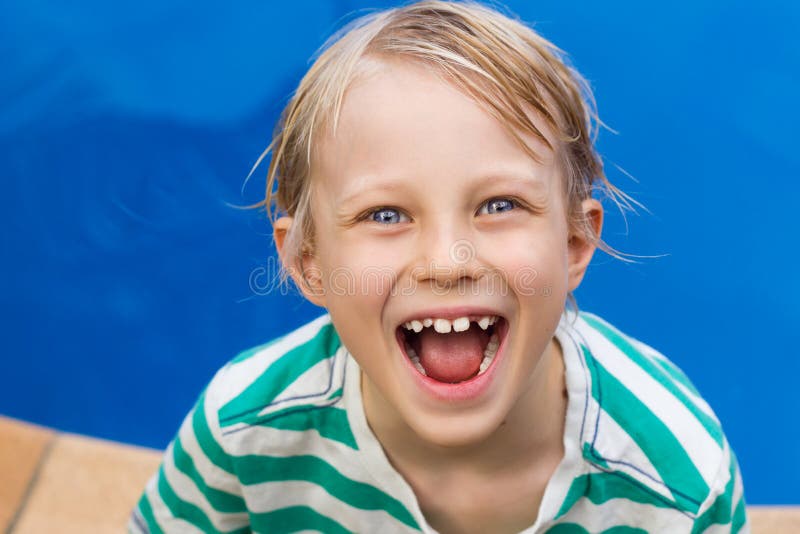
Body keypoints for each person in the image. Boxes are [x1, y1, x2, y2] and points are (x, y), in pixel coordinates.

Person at [129, 1, 747, 532]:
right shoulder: (244, 432)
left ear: (575, 244)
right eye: (386, 214)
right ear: (309, 262)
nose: (446, 262)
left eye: (499, 205)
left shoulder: (674, 481)